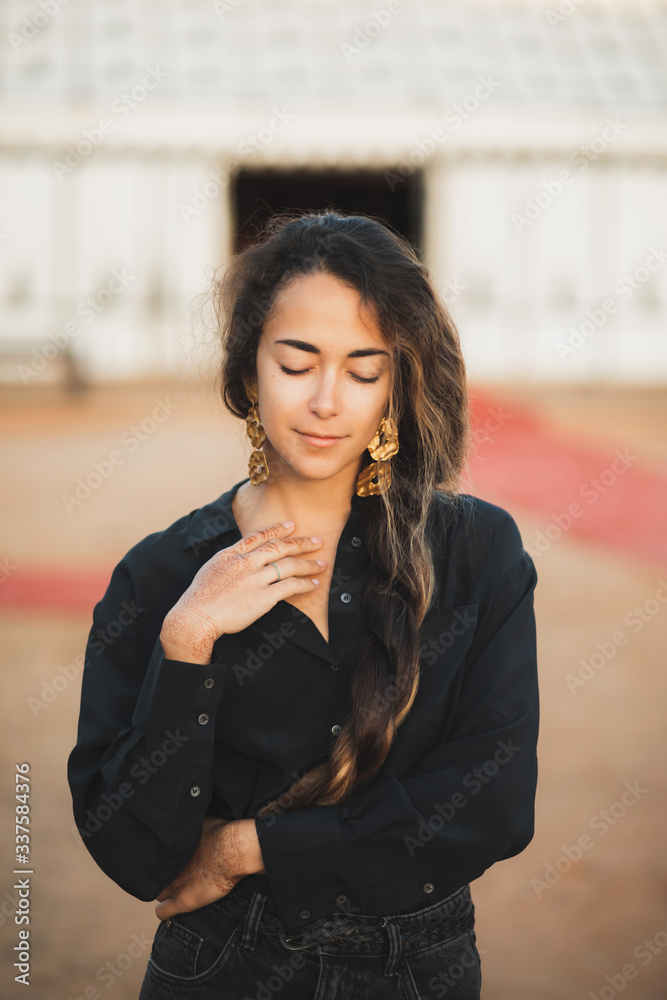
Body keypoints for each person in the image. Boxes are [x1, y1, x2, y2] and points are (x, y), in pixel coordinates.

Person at [67, 209, 539, 999]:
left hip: (419, 970)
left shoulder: (475, 550)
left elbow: (491, 805)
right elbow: (133, 854)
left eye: (363, 371)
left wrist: (251, 846)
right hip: (220, 965)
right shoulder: (160, 577)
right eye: (297, 363)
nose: (327, 402)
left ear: (395, 384)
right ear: (250, 372)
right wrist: (189, 642)